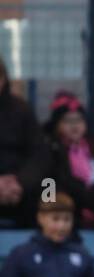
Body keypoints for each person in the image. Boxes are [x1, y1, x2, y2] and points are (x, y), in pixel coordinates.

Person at [44, 91, 94, 229]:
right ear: (57, 125)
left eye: (79, 120)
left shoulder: (93, 147)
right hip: (72, 200)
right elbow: (51, 182)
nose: (74, 125)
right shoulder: (51, 149)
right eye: (68, 121)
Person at [0, 57, 50, 229]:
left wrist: (20, 182)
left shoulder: (22, 110)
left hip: (21, 186)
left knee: (49, 186)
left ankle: (50, 246)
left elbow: (39, 155)